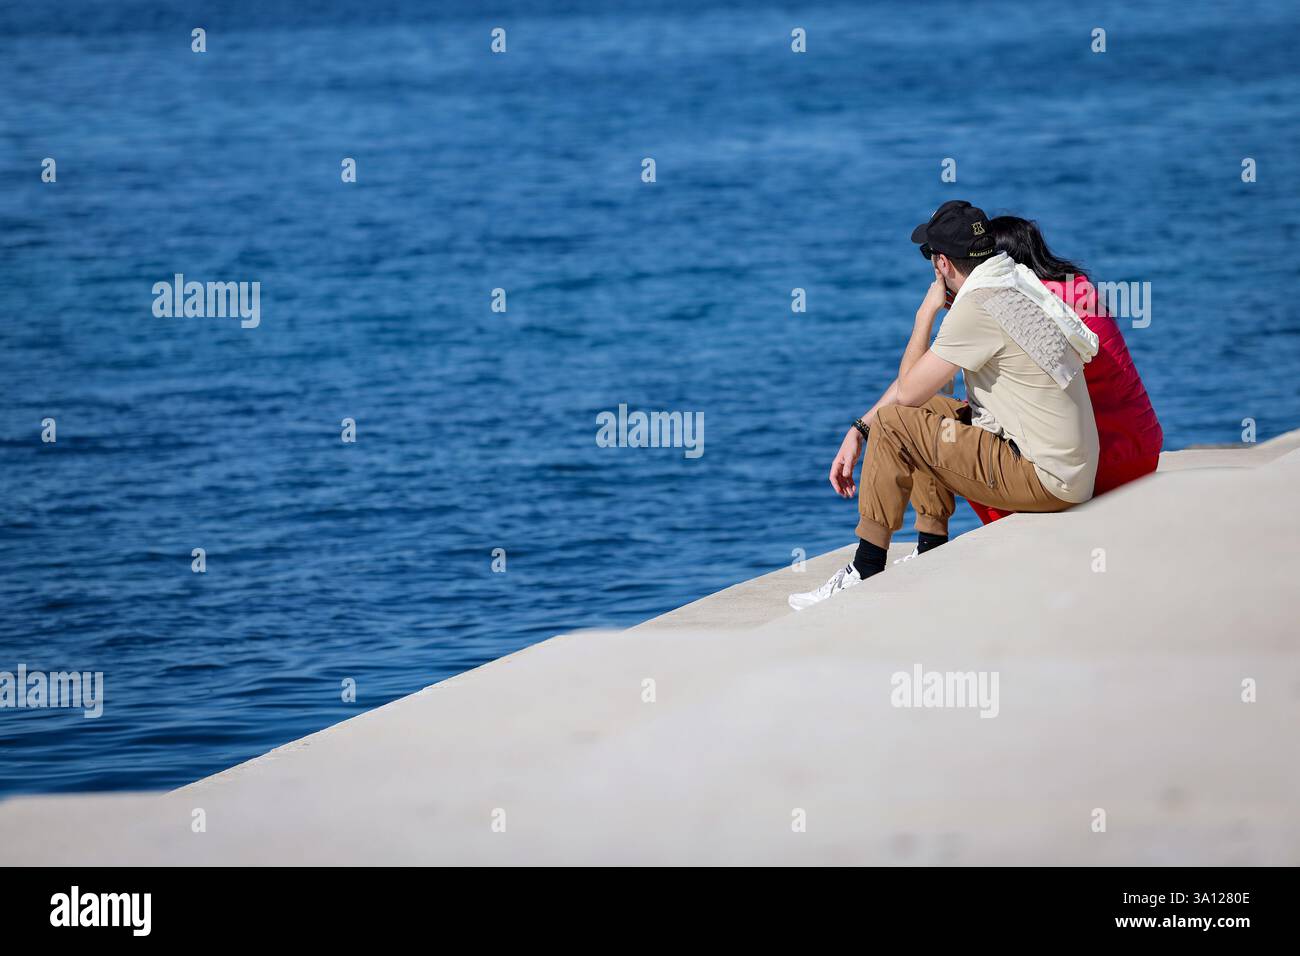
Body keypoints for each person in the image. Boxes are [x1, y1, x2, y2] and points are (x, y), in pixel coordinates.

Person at [789, 200, 1100, 611]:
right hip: (1069, 470)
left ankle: (865, 569)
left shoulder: (978, 306)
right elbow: (927, 389)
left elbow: (906, 394)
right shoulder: (1012, 283)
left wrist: (925, 314)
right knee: (929, 412)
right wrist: (858, 430)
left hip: (1046, 479)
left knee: (898, 423)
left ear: (942, 264)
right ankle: (930, 547)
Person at [966, 217, 1162, 524]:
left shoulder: (1029, 306)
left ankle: (1005, 526)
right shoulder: (1078, 287)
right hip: (1144, 451)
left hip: (1105, 466)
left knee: (966, 430)